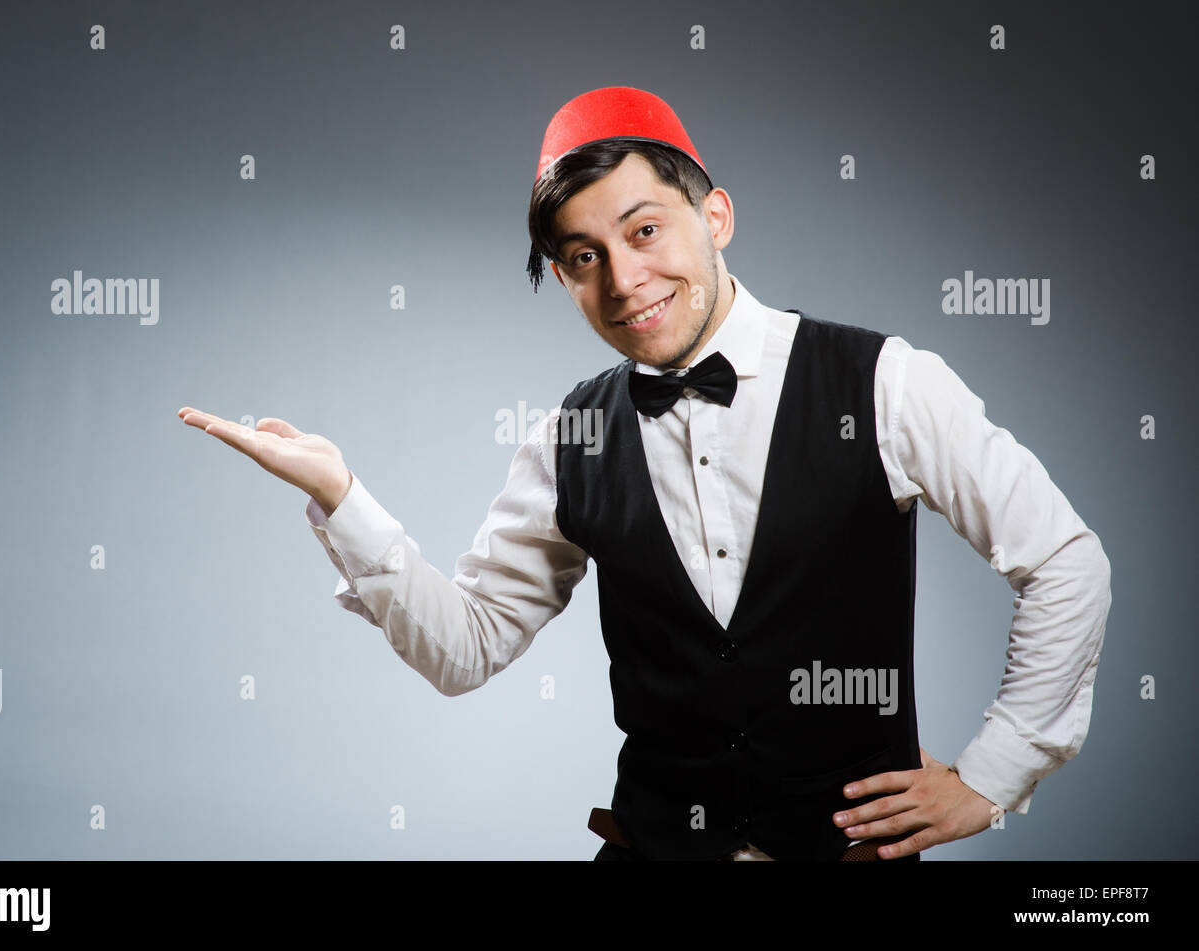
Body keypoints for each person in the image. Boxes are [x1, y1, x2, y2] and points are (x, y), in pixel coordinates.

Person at [178, 86, 1112, 862]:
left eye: (645, 230)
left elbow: (1066, 562)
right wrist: (342, 495)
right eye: (584, 258)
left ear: (716, 216)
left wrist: (991, 778)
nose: (623, 281)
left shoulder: (884, 381)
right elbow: (465, 648)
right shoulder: (567, 437)